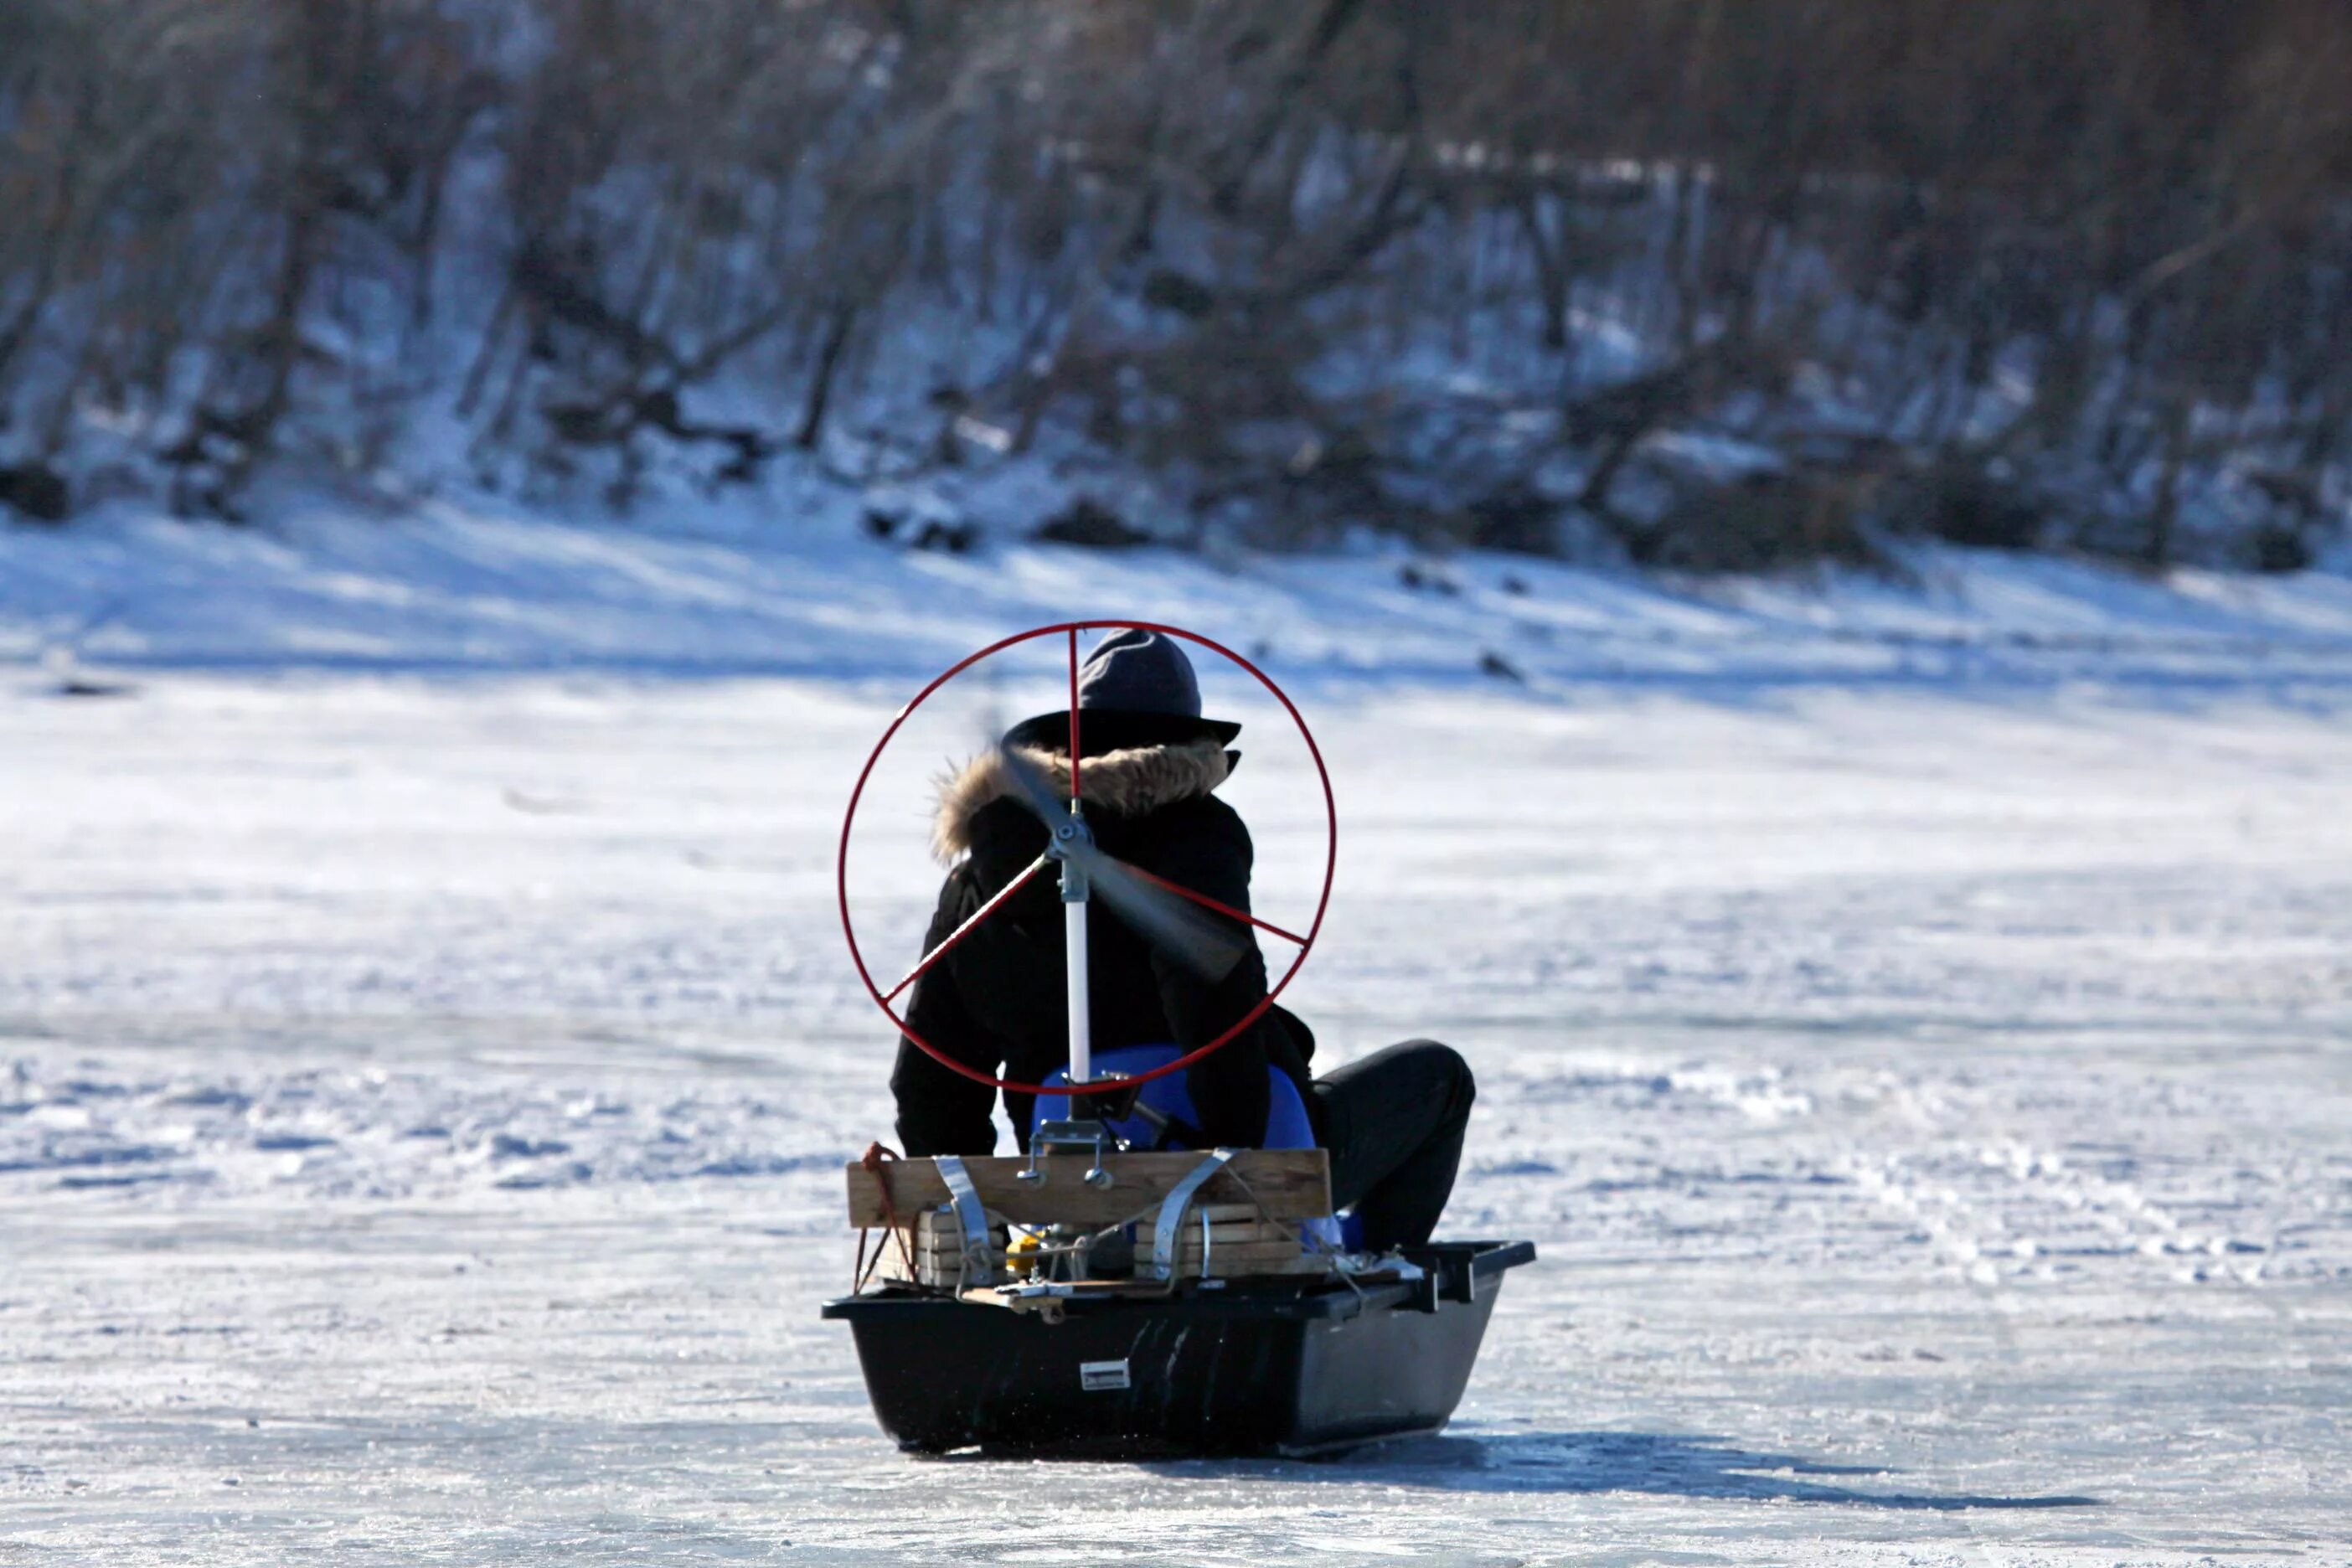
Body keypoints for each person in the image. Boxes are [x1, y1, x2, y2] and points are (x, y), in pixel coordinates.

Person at [889, 627, 1474, 1250]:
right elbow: (1209, 995)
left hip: (1062, 1175)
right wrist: (1236, 1168)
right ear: (1190, 741)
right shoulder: (1196, 832)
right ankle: (1363, 1272)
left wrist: (976, 1225)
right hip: (1208, 1155)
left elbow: (931, 1073)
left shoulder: (986, 867)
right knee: (1439, 1079)